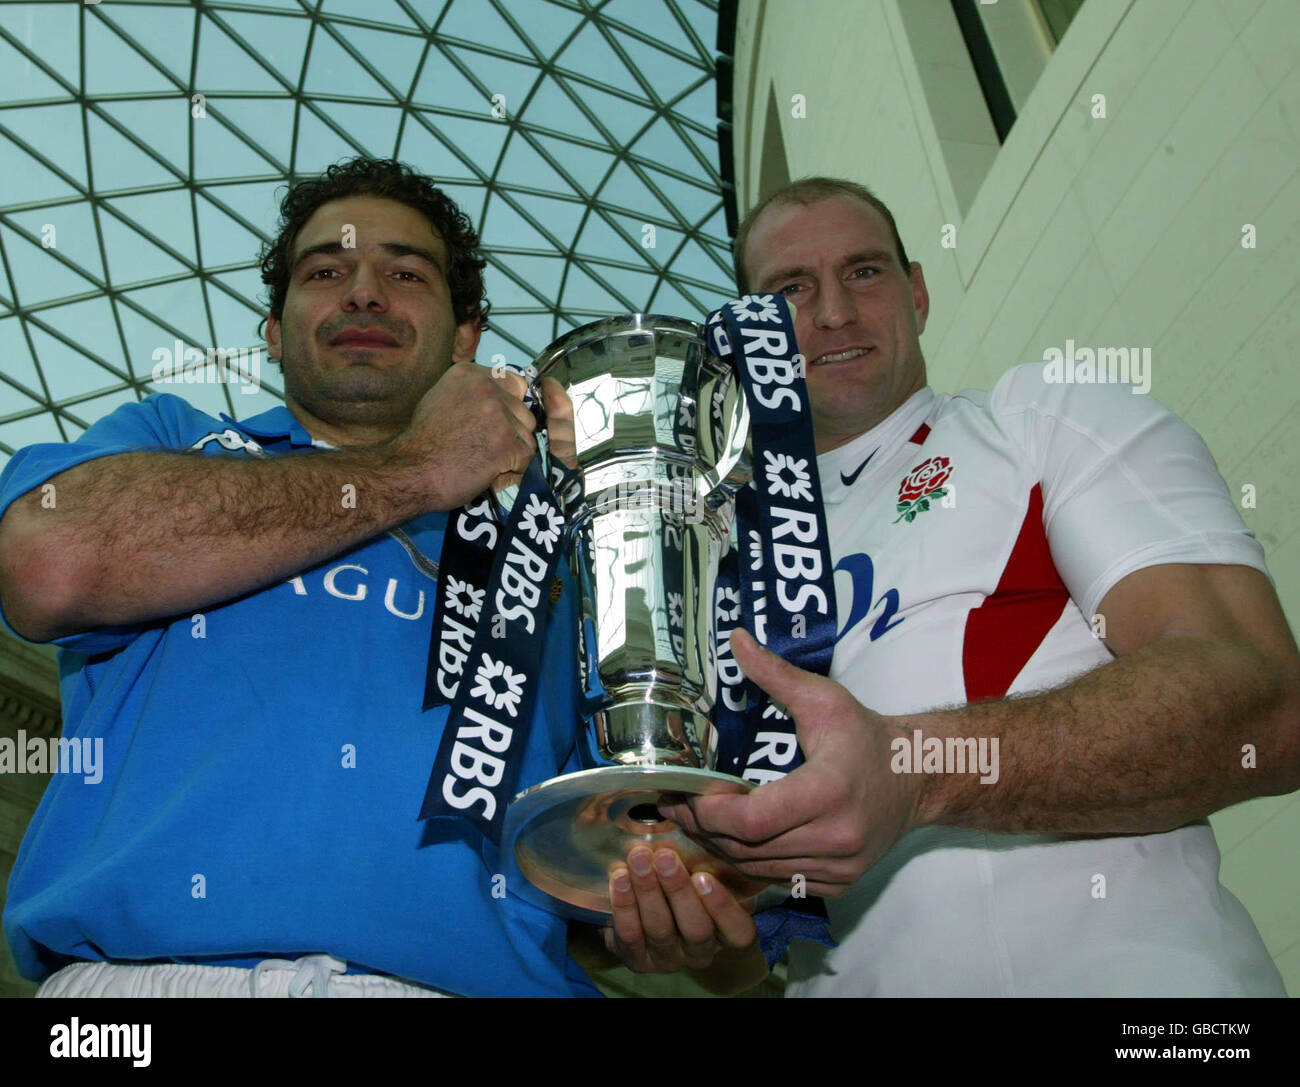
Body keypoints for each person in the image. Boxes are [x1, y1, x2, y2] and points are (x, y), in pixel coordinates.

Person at [628, 177, 1300, 996]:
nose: (834, 312)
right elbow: (752, 939)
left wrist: (919, 771)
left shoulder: (1044, 419)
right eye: (791, 289)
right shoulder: (712, 564)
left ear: (917, 290)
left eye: (865, 272)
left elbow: (1265, 704)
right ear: (748, 332)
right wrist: (700, 922)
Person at [0, 156, 604, 997]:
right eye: (326, 271)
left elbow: (603, 852)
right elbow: (47, 560)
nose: (364, 293)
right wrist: (418, 469)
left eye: (404, 272)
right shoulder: (171, 440)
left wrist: (673, 907)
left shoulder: (563, 559)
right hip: (141, 989)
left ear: (466, 336)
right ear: (276, 330)